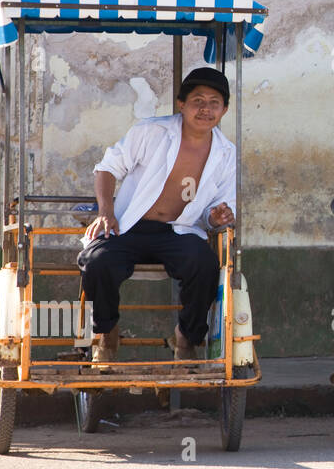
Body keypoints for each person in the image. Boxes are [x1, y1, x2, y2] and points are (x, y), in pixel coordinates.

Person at [79, 67, 236, 364]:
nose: (205, 109)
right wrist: (105, 212)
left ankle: (187, 338)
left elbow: (217, 208)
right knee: (97, 262)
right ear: (181, 104)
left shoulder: (226, 154)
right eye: (197, 100)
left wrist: (217, 217)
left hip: (179, 231)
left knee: (204, 264)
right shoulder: (151, 131)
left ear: (224, 109)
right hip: (129, 226)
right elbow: (107, 167)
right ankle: (106, 332)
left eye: (214, 102)